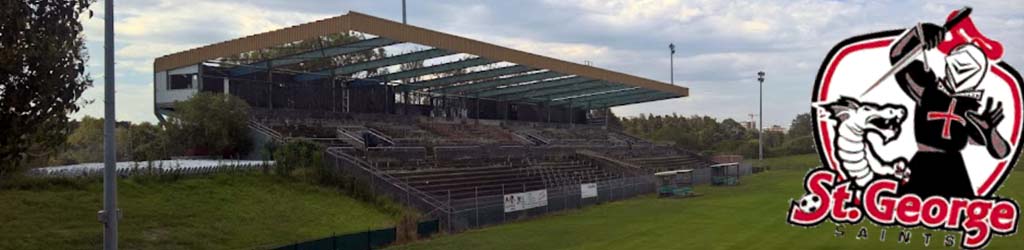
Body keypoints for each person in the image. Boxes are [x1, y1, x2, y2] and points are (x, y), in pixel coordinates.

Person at [889, 23, 1010, 198]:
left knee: (959, 213)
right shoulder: (927, 90)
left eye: (968, 69)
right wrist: (919, 34)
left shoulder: (970, 110)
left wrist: (990, 132)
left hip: (954, 168)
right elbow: (898, 57)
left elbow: (1001, 152)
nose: (960, 72)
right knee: (905, 209)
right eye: (959, 65)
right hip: (923, 164)